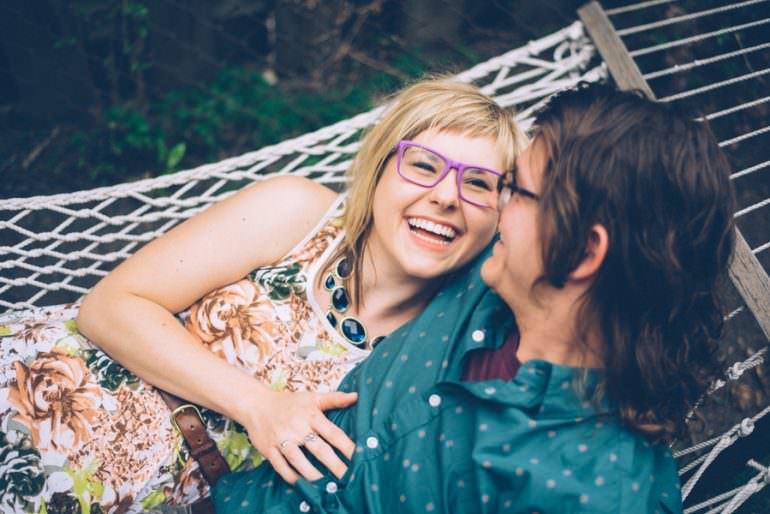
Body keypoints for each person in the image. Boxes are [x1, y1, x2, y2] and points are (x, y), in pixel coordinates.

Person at [0, 78, 526, 513]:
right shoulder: (298, 215)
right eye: (424, 165)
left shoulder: (429, 354)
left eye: (478, 184)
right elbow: (109, 307)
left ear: (502, 214)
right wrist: (258, 406)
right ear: (380, 167)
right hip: (26, 398)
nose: (445, 196)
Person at [212, 81, 736, 513]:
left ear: (579, 253)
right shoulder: (480, 283)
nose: (494, 210)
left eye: (517, 192)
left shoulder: (600, 493)